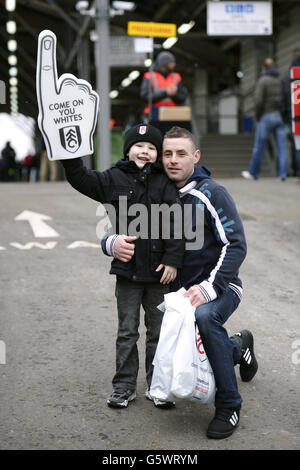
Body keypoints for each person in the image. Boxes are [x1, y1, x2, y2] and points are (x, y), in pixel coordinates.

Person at [103, 126, 258, 439]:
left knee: (204, 318)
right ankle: (237, 348)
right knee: (183, 350)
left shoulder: (211, 193)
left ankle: (229, 404)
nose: (173, 160)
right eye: (167, 154)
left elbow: (236, 244)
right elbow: (117, 227)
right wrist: (111, 242)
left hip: (220, 287)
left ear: (196, 156)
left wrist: (208, 288)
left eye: (181, 154)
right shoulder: (152, 190)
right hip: (176, 293)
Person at [60, 123, 185, 409]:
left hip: (159, 274)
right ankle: (124, 386)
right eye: (139, 145)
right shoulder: (112, 178)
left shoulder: (165, 182)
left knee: (158, 332)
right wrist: (69, 154)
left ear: (158, 154)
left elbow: (177, 225)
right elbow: (80, 177)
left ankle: (158, 385)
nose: (145, 151)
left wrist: (173, 260)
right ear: (128, 149)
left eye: (152, 147)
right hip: (127, 272)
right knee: (127, 331)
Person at [241, 58, 289, 181]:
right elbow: (284, 98)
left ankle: (253, 173)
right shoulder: (280, 80)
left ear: (264, 68)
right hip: (278, 116)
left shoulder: (263, 80)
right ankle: (283, 174)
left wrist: (258, 116)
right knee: (282, 147)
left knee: (259, 147)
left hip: (266, 116)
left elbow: (258, 101)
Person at [140, 51, 187, 121]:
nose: (174, 64)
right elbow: (144, 97)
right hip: (153, 114)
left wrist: (173, 95)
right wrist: (165, 93)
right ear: (164, 63)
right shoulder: (149, 76)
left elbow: (183, 97)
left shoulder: (176, 77)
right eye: (171, 62)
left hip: (173, 113)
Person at [281, 47, 300, 182]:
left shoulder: (289, 75)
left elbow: (284, 97)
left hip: (294, 115)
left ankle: (298, 171)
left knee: (297, 144)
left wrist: (285, 115)